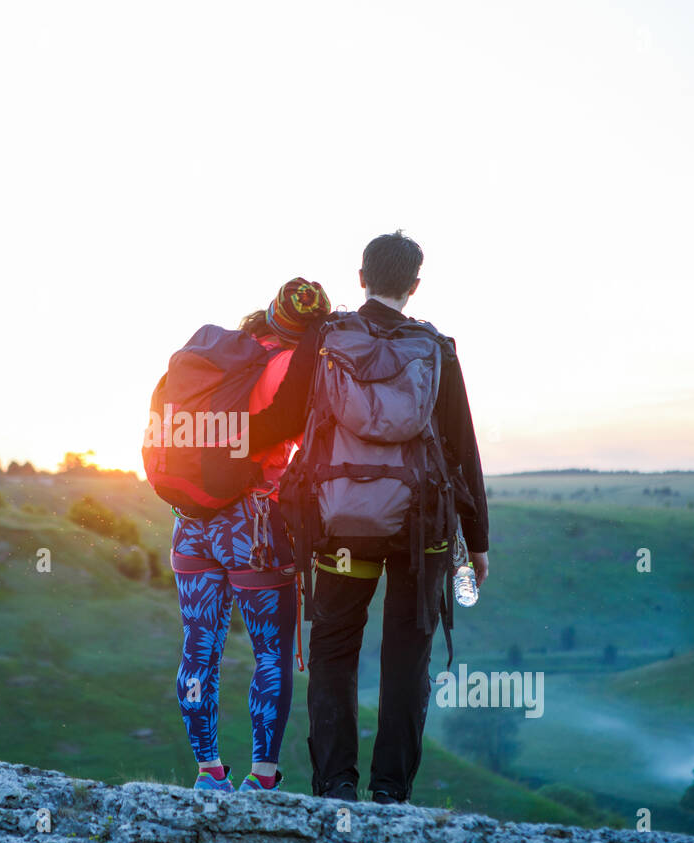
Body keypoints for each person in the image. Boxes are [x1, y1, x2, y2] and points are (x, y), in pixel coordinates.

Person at [245, 232, 489, 804]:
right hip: (420, 533)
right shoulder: (437, 350)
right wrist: (476, 542)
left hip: (341, 522)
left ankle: (335, 786)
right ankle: (390, 793)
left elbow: (281, 419)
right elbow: (462, 448)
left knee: (334, 649)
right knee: (408, 655)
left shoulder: (328, 339)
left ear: (361, 277)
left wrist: (224, 441)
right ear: (414, 285)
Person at [171, 278, 332, 793]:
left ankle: (207, 771)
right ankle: (262, 777)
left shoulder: (226, 358)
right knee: (270, 652)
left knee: (198, 649)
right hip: (254, 525)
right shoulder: (293, 366)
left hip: (190, 519)